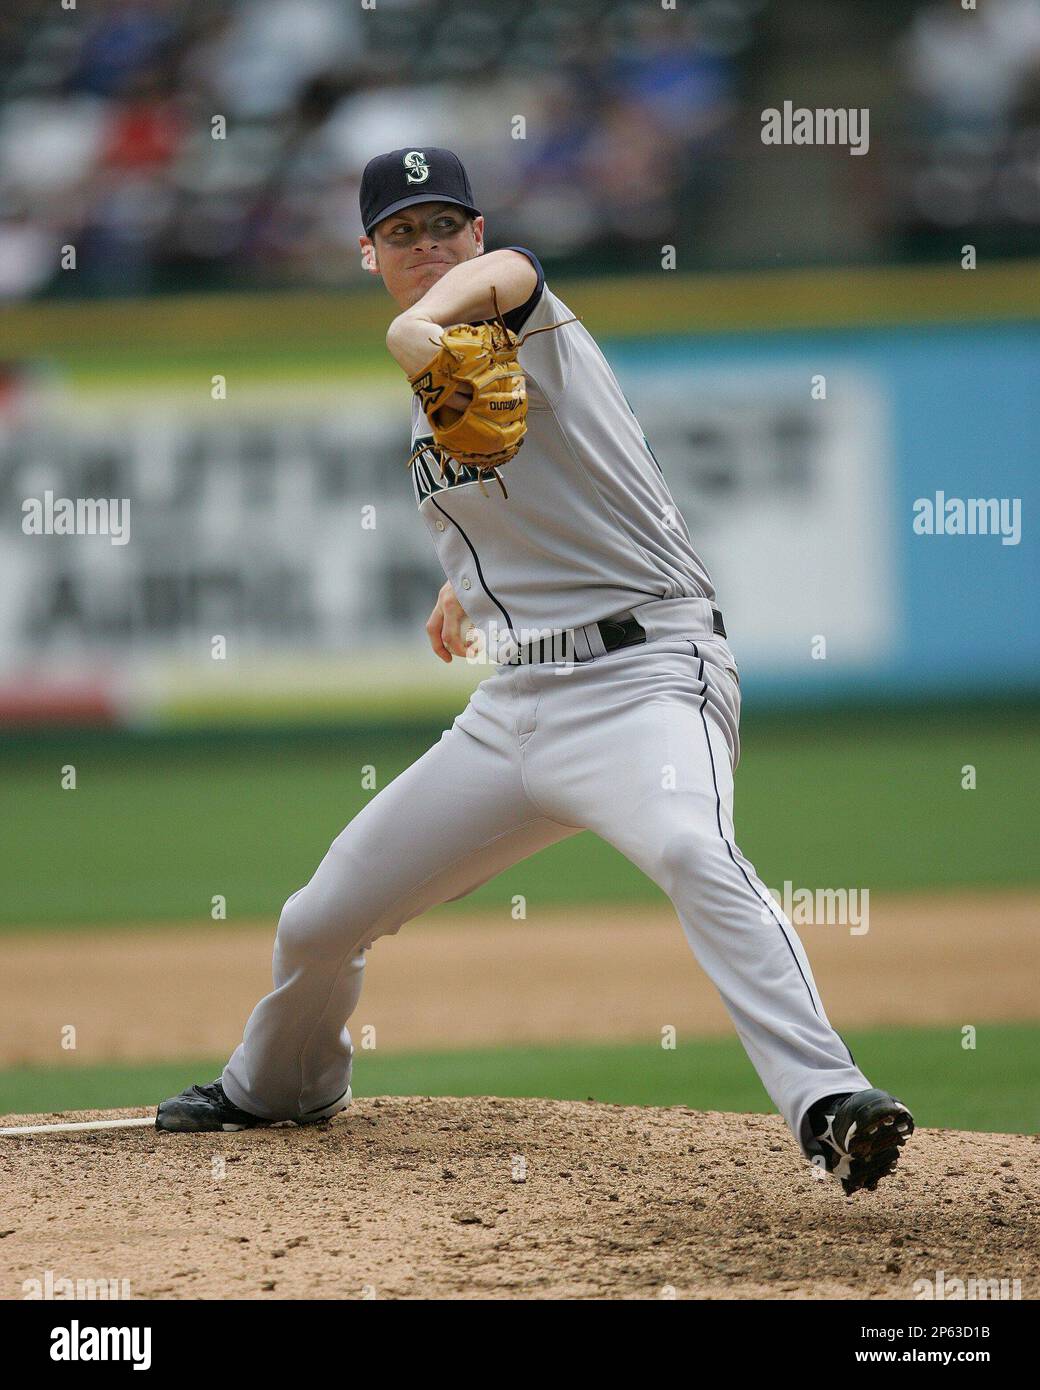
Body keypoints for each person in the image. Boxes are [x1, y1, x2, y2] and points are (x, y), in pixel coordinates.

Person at [157, 147, 914, 1196]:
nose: (427, 245)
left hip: (648, 676)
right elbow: (522, 504)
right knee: (319, 919)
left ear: (476, 232)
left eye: (445, 225)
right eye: (401, 232)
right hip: (516, 704)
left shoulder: (517, 313)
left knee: (691, 848)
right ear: (368, 252)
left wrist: (417, 328)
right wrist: (462, 586)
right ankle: (280, 1084)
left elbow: (509, 275)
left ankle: (829, 1100)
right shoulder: (435, 385)